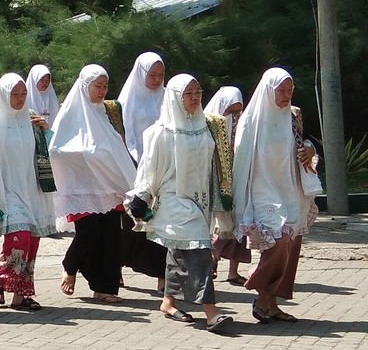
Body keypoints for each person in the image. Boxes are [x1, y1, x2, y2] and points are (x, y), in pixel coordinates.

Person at [126, 74, 234, 333]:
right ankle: (211, 313)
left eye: (198, 92)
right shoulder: (159, 132)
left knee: (178, 251)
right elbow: (149, 169)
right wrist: (141, 196)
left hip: (200, 202)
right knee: (199, 253)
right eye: (189, 93)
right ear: (175, 96)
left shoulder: (204, 127)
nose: (195, 97)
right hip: (173, 200)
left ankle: (168, 302)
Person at [233, 68, 319, 323]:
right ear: (268, 91)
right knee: (278, 241)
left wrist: (309, 150)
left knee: (290, 245)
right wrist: (238, 201)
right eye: (281, 91)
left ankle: (270, 302)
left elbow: (304, 145)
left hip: (290, 190)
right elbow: (240, 160)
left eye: (289, 91)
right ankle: (261, 293)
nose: (285, 96)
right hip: (261, 192)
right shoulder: (251, 120)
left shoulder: (292, 117)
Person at [48, 65, 132, 304]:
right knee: (89, 234)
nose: (102, 91)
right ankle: (70, 266)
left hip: (107, 187)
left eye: (105, 86)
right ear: (85, 86)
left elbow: (116, 149)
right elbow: (57, 149)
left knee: (110, 238)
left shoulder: (106, 114)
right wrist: (86, 157)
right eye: (98, 86)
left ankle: (104, 288)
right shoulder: (70, 113)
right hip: (81, 187)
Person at [0, 73, 57, 311]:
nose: (20, 98)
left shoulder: (31, 121)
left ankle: (21, 295)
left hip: (31, 188)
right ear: (4, 94)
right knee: (19, 237)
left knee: (32, 241)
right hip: (7, 190)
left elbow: (48, 154)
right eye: (15, 94)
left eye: (24, 94)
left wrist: (47, 131)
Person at [115, 52, 170, 293]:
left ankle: (163, 278)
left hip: (163, 166)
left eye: (161, 75)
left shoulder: (168, 97)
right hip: (134, 165)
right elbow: (122, 135)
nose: (157, 80)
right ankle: (116, 268)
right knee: (130, 224)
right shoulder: (127, 101)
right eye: (152, 75)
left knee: (162, 223)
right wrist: (136, 159)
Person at [205, 86, 250, 284]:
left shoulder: (245, 125)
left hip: (237, 180)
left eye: (238, 112)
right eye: (230, 112)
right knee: (215, 223)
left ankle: (233, 271)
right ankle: (211, 258)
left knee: (238, 223)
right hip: (213, 181)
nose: (234, 117)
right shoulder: (207, 124)